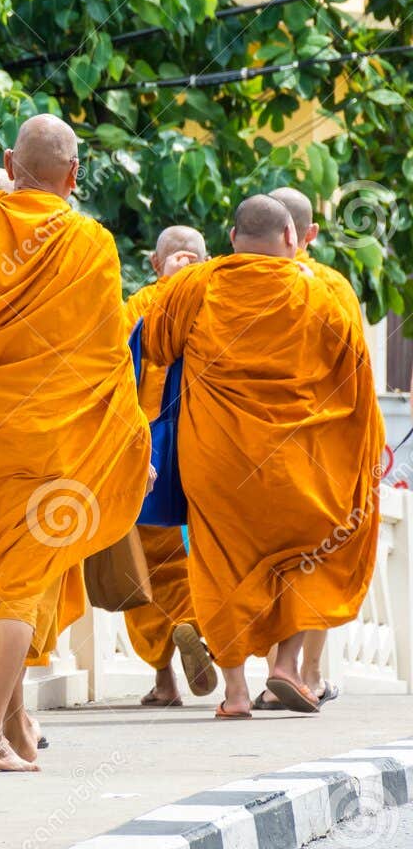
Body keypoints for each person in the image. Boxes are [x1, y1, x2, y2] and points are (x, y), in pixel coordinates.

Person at [0, 113, 151, 771]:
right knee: (18, 583)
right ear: (76, 174)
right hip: (53, 443)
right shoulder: (90, 242)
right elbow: (108, 359)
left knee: (5, 580)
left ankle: (15, 724)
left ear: (8, 159)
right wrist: (129, 442)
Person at [140, 194, 383, 717]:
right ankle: (286, 666)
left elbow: (156, 345)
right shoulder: (325, 293)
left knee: (219, 565)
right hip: (299, 465)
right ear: (294, 239)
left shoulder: (196, 285)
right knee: (303, 559)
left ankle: (235, 693)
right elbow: (356, 383)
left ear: (230, 240)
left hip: (220, 463)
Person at [252, 186, 366, 708]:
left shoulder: (223, 283)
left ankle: (254, 673)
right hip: (318, 444)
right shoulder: (329, 286)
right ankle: (303, 670)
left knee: (255, 555)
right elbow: (357, 375)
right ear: (305, 235)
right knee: (315, 558)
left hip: (240, 449)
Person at [123, 227, 217, 707]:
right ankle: (200, 628)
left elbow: (111, 379)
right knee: (209, 557)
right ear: (206, 262)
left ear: (154, 263)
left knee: (147, 568)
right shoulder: (219, 305)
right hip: (208, 454)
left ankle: (163, 679)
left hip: (147, 456)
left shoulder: (134, 309)